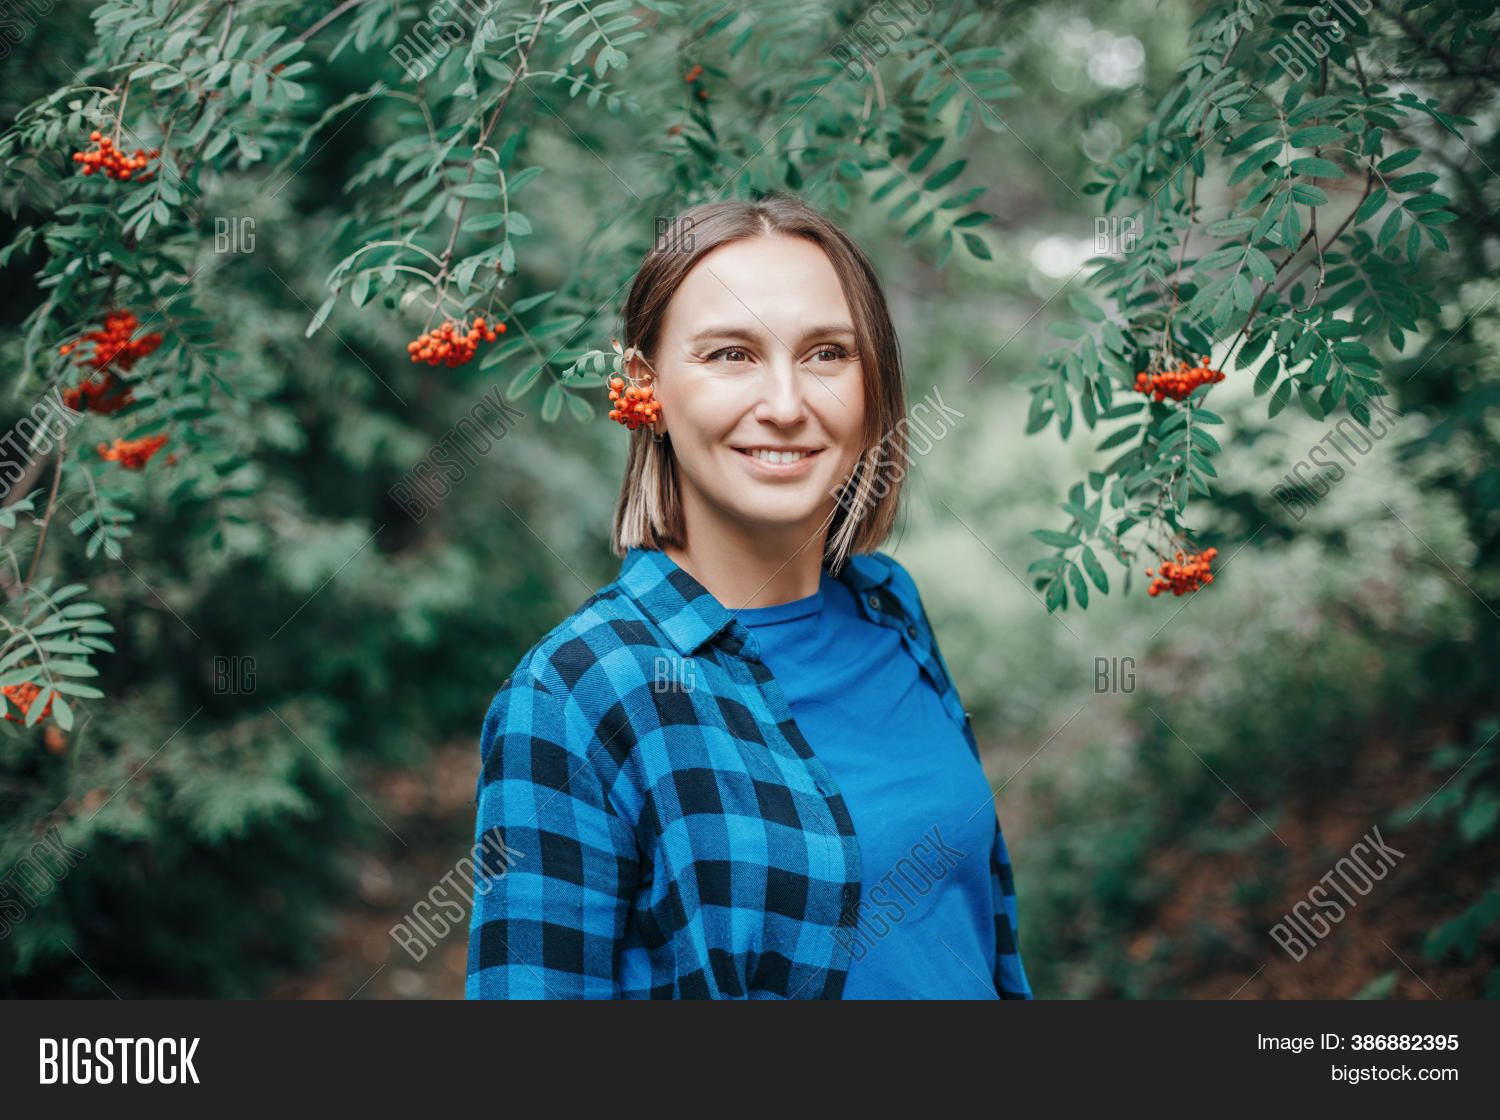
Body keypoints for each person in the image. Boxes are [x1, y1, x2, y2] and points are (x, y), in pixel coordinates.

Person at [465, 194, 1031, 999]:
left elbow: (977, 936)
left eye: (827, 353)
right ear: (644, 386)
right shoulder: (573, 697)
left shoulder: (890, 607)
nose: (787, 404)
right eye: (731, 354)